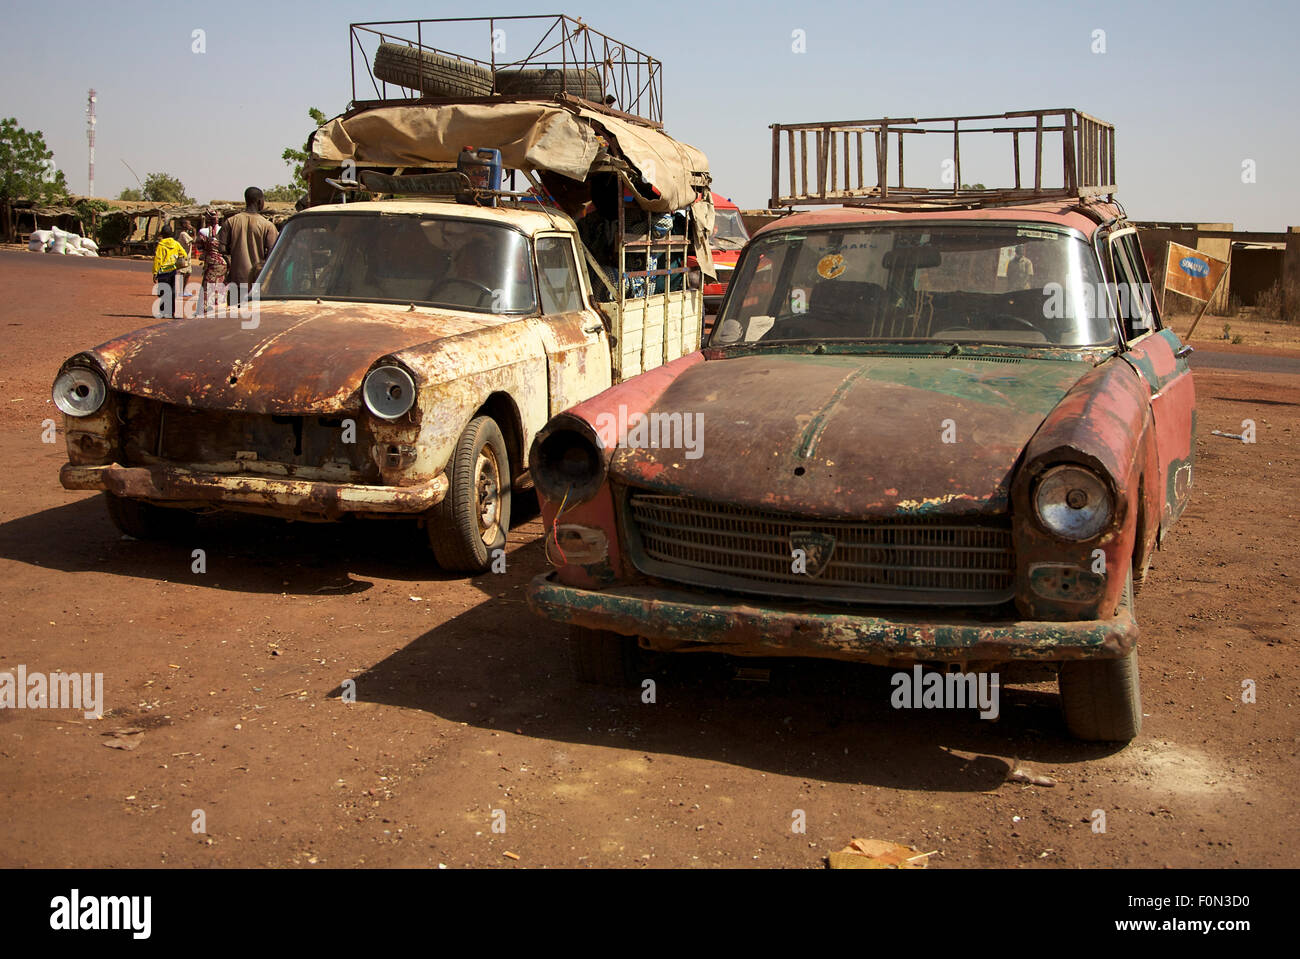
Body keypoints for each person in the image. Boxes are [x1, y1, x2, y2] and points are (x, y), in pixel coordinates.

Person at [218, 187, 279, 303]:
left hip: (236, 280)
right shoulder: (267, 225)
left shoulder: (231, 222)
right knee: (254, 318)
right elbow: (273, 253)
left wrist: (232, 262)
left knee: (234, 316)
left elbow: (221, 248)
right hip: (258, 281)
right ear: (260, 201)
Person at [193, 211, 227, 315]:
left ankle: (205, 310)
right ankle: (217, 309)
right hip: (222, 263)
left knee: (208, 287)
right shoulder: (224, 231)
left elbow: (199, 247)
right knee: (219, 286)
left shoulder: (203, 232)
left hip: (211, 263)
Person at [151, 224, 187, 318]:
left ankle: (163, 311)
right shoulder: (176, 244)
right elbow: (184, 254)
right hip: (173, 269)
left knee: (163, 291)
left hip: (163, 271)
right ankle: (172, 312)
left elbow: (158, 259)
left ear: (162, 234)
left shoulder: (161, 245)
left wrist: (155, 273)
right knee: (172, 291)